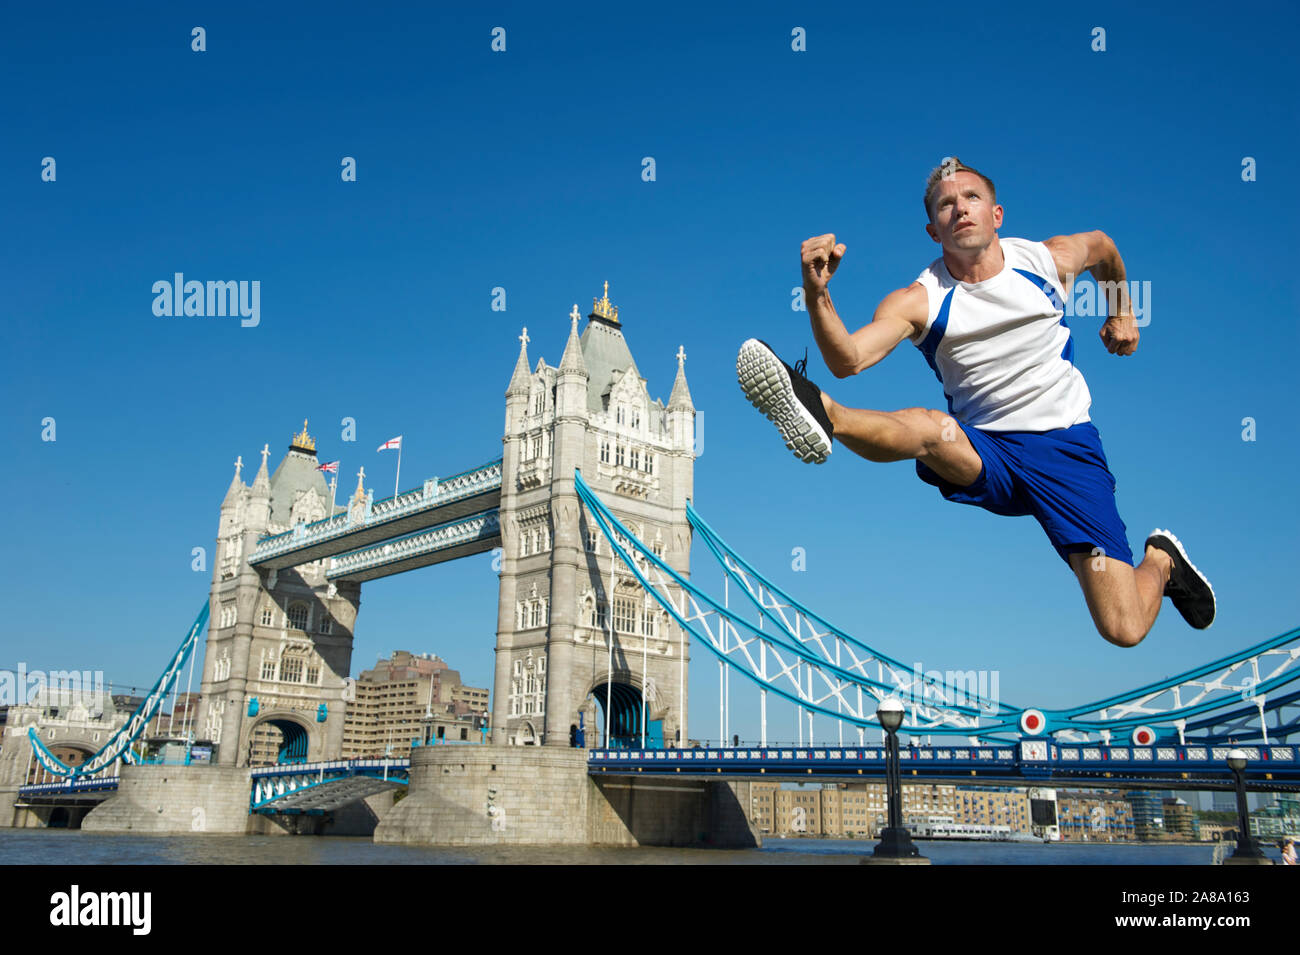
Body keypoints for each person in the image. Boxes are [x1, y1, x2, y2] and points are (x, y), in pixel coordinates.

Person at [736, 158, 1215, 647]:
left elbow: (1105, 248)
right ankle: (825, 413)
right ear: (932, 229)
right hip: (986, 450)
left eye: (971, 198)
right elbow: (849, 360)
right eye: (946, 205)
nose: (960, 209)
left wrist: (1124, 312)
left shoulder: (1047, 261)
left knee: (1124, 628)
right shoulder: (920, 299)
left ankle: (1162, 559)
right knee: (931, 429)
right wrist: (816, 294)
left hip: (1066, 449)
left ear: (997, 214)